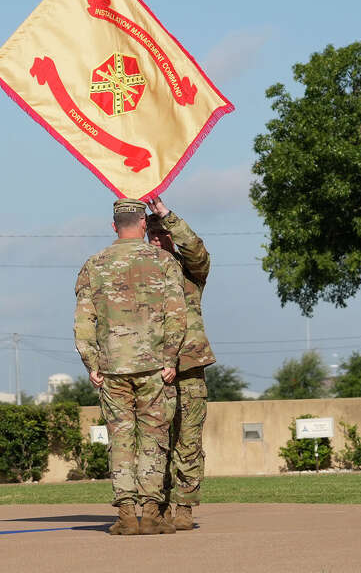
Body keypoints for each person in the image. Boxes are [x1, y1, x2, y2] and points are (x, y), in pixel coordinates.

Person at [74, 198, 187, 536]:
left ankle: (125, 515)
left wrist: (91, 362)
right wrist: (170, 359)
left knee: (121, 439)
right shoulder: (164, 261)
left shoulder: (94, 264)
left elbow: (83, 319)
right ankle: (150, 513)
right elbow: (177, 315)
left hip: (112, 367)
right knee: (154, 438)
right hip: (154, 367)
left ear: (114, 226)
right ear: (142, 224)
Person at [146, 196, 216, 531]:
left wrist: (167, 216)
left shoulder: (189, 271)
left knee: (188, 440)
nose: (158, 239)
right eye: (152, 234)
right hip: (151, 371)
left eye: (163, 234)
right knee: (155, 442)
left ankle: (185, 505)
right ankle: (156, 504)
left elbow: (198, 252)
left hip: (188, 367)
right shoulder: (141, 274)